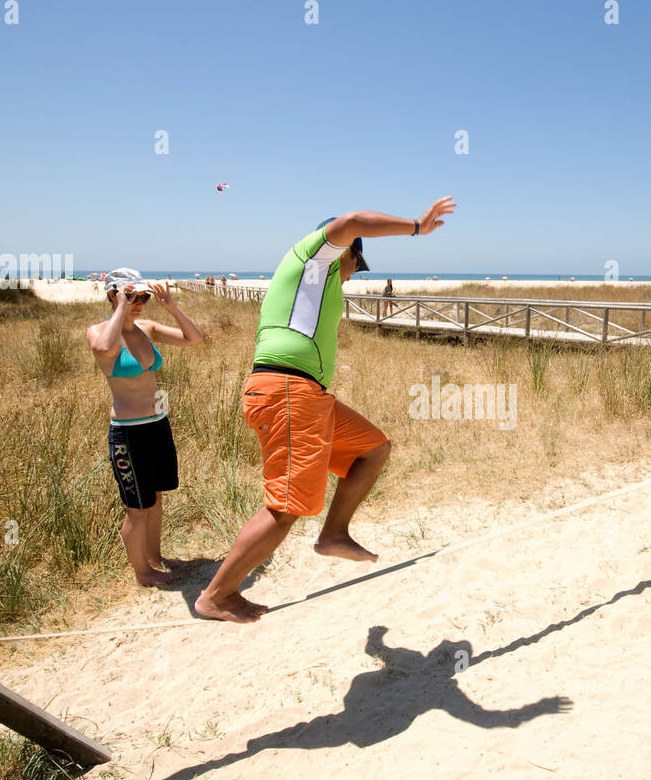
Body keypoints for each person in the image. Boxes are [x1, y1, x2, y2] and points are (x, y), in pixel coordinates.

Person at [195, 196, 456, 622]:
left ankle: (334, 534)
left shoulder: (321, 286)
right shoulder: (313, 260)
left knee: (373, 448)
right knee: (287, 508)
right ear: (347, 250)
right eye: (357, 263)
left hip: (308, 396)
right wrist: (417, 226)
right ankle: (217, 595)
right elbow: (351, 220)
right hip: (286, 390)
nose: (355, 273)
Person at [86, 268, 206, 586]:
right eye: (131, 296)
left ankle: (155, 558)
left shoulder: (147, 328)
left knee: (155, 497)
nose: (139, 302)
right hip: (128, 432)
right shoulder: (99, 332)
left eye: (143, 297)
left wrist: (170, 306)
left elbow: (194, 338)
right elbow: (104, 350)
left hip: (157, 425)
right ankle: (143, 573)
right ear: (113, 295)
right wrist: (122, 310)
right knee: (137, 508)